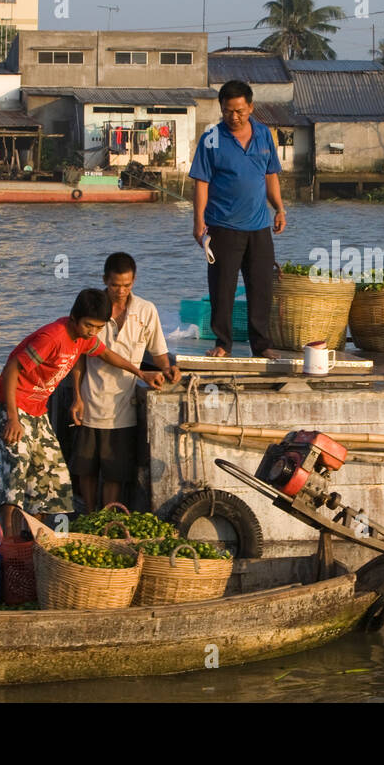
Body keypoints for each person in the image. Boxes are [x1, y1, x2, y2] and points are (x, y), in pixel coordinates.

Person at [0, 288, 163, 537]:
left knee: (53, 473)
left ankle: (30, 532)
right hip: (12, 406)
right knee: (18, 465)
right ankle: (9, 535)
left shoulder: (85, 339)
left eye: (98, 327)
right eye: (88, 326)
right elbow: (12, 368)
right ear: (74, 318)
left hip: (37, 410)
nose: (92, 332)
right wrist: (11, 418)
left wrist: (140, 373)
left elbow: (106, 353)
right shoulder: (52, 337)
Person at [69, 253, 181, 511]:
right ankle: (88, 512)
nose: (120, 291)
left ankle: (106, 518)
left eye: (127, 285)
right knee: (85, 466)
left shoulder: (146, 310)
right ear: (105, 281)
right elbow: (78, 358)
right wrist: (77, 395)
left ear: (134, 281)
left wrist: (168, 368)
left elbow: (158, 352)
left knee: (114, 471)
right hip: (90, 398)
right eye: (115, 285)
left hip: (124, 404)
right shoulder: (91, 307)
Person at [189, 79, 286, 358]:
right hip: (222, 226)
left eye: (240, 111)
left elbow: (271, 176)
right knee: (222, 288)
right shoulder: (211, 138)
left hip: (259, 226)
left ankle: (262, 345)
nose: (234, 116)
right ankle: (222, 344)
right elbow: (202, 183)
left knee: (261, 287)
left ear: (251, 107)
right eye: (228, 111)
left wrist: (279, 208)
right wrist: (198, 224)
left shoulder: (264, 135)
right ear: (221, 109)